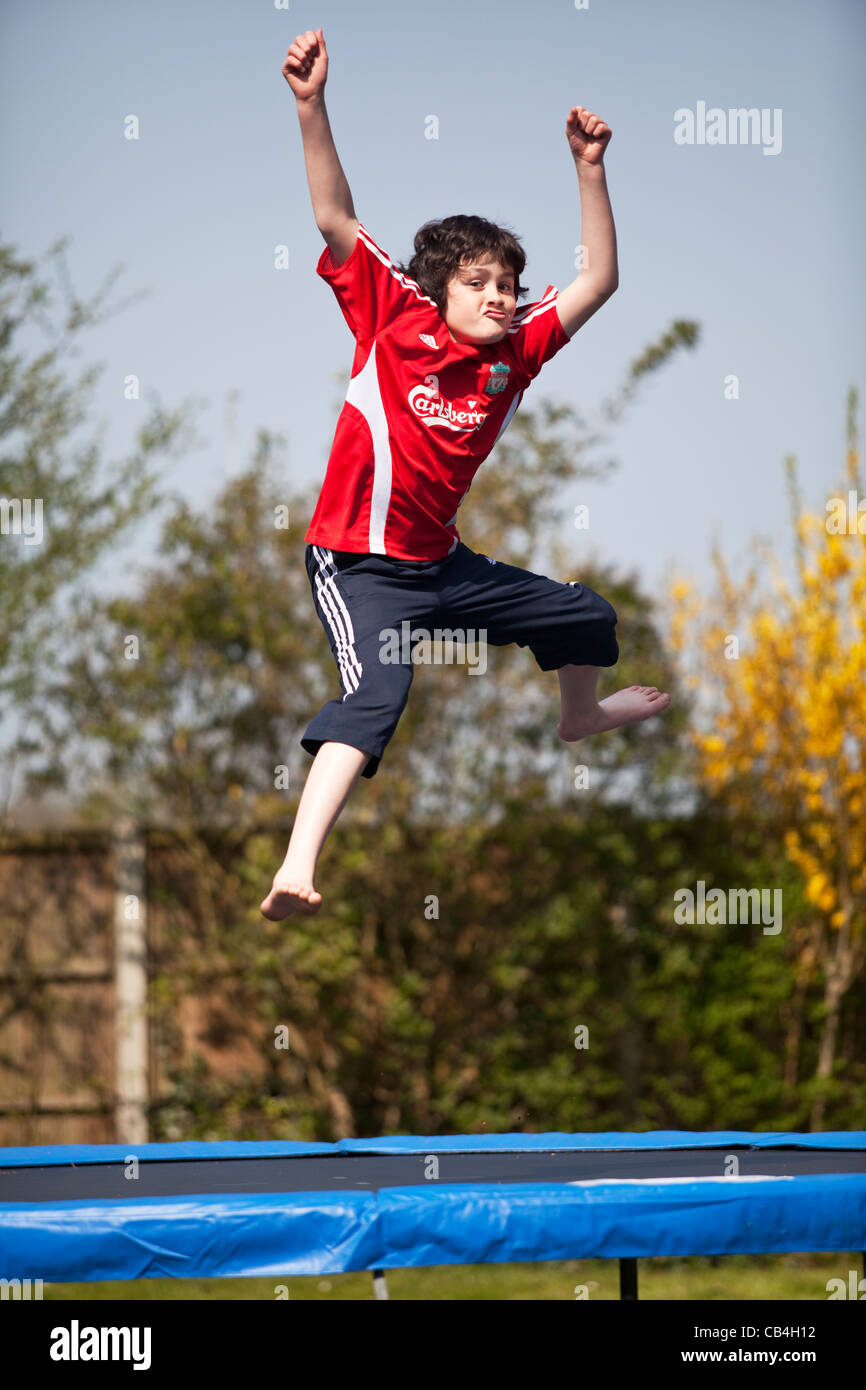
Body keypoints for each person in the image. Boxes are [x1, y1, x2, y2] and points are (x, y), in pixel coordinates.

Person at [261, 27, 670, 921]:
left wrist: (589, 169)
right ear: (439, 288)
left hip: (442, 565)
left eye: (510, 283)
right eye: (481, 282)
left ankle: (581, 715)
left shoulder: (515, 353)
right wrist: (309, 104)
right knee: (378, 694)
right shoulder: (389, 314)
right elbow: (335, 217)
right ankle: (297, 865)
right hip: (359, 564)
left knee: (585, 615)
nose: (500, 296)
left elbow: (598, 278)